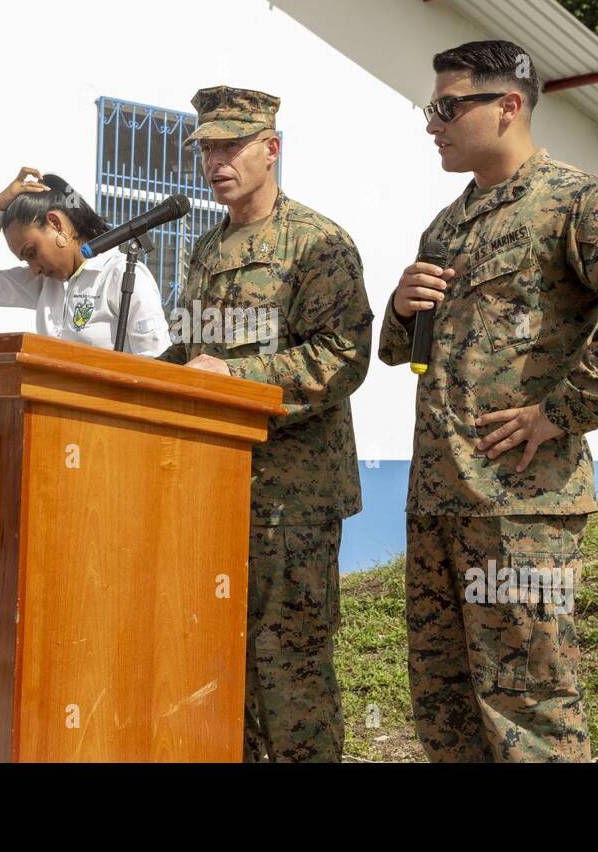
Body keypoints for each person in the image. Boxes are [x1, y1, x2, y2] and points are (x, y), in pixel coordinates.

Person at [378, 40, 598, 762]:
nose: (434, 122)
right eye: (433, 107)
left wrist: (561, 412)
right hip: (438, 498)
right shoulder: (449, 224)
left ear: (508, 106)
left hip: (519, 505)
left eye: (448, 106)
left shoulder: (577, 203)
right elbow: (409, 355)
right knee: (445, 701)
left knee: (527, 706)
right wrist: (401, 308)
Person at [158, 85, 374, 762]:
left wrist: (236, 380)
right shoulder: (205, 249)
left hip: (292, 500)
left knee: (290, 668)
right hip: (214, 489)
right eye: (208, 148)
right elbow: (190, 349)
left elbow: (343, 358)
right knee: (223, 662)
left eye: (232, 145)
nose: (216, 161)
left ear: (271, 149)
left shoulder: (318, 244)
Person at [0, 168, 171, 356]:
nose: (34, 269)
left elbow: (157, 363)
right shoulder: (45, 285)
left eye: (32, 252)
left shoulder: (122, 276)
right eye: (25, 260)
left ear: (55, 224)